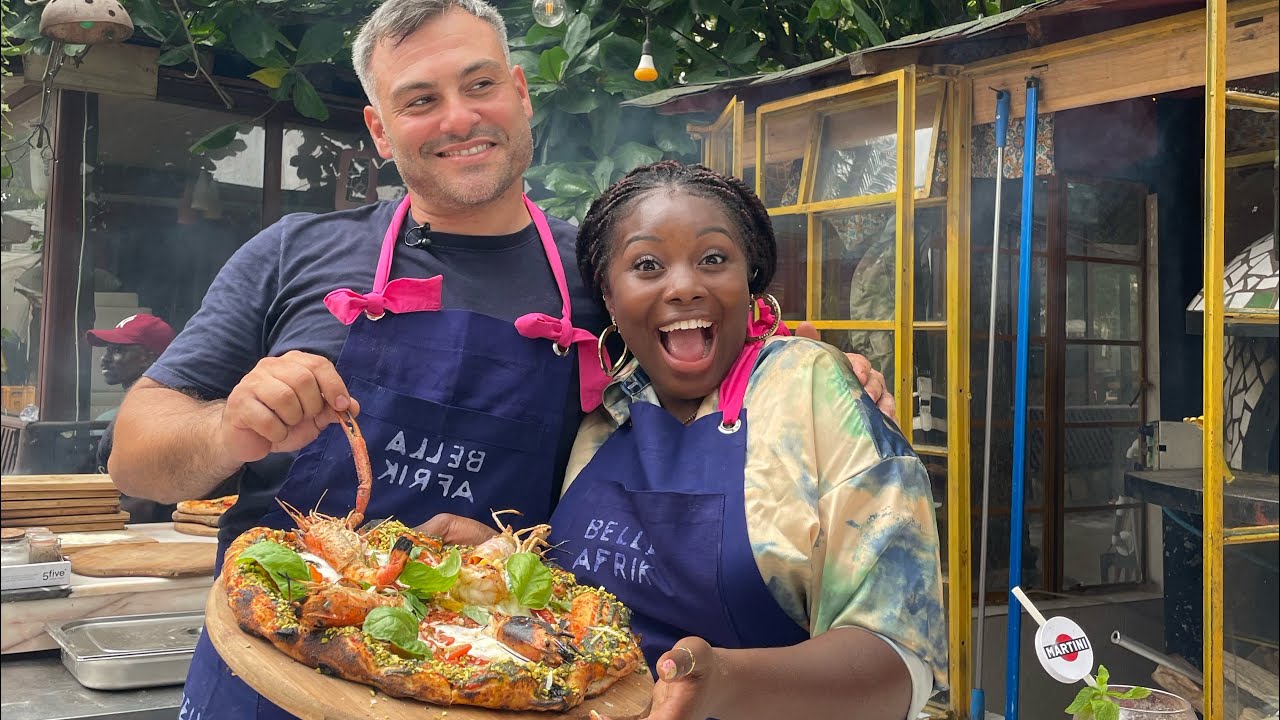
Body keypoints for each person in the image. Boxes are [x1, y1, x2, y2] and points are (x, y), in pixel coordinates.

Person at [108, 2, 894, 717]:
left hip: (496, 672)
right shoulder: (292, 254)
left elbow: (709, 376)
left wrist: (810, 381)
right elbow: (136, 460)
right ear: (381, 131)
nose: (459, 117)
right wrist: (228, 432)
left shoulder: (606, 282)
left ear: (521, 94)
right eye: (419, 100)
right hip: (272, 672)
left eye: (479, 84)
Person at [555, 161, 946, 720]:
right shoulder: (603, 414)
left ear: (750, 279)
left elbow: (900, 666)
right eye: (647, 265)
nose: (685, 285)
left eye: (714, 259)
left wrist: (723, 683)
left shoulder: (812, 390)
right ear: (610, 300)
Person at [85, 314, 182, 523]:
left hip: (152, 539)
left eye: (118, 350)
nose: (105, 358)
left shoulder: (156, 415)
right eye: (108, 349)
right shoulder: (135, 407)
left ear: (148, 357)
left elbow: (142, 503)